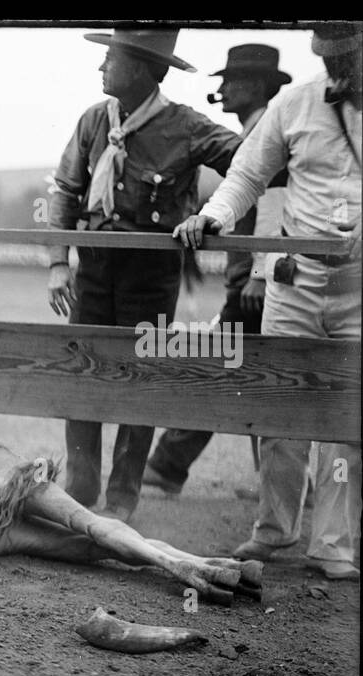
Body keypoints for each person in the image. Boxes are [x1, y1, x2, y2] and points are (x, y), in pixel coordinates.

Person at [174, 23, 363, 581]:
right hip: (293, 281)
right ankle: (275, 533)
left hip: (360, 286)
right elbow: (248, 175)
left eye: (347, 58)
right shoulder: (294, 101)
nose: (338, 71)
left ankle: (333, 545)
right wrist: (215, 216)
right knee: (280, 414)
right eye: (329, 60)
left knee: (347, 421)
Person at [47, 28, 241, 524]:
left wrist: (212, 212)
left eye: (109, 58)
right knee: (82, 369)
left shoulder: (186, 126)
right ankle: (82, 483)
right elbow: (66, 191)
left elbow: (252, 164)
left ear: (138, 67)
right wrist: (56, 264)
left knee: (142, 377)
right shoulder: (94, 120)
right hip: (94, 269)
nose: (101, 68)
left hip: (151, 275)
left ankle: (123, 497)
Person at [144, 44, 291, 495]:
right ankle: (273, 481)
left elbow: (275, 199)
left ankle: (166, 468)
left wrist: (258, 272)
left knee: (221, 368)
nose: (222, 88)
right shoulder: (258, 127)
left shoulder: (268, 129)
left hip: (254, 282)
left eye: (233, 79)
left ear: (259, 85)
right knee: (254, 375)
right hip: (252, 278)